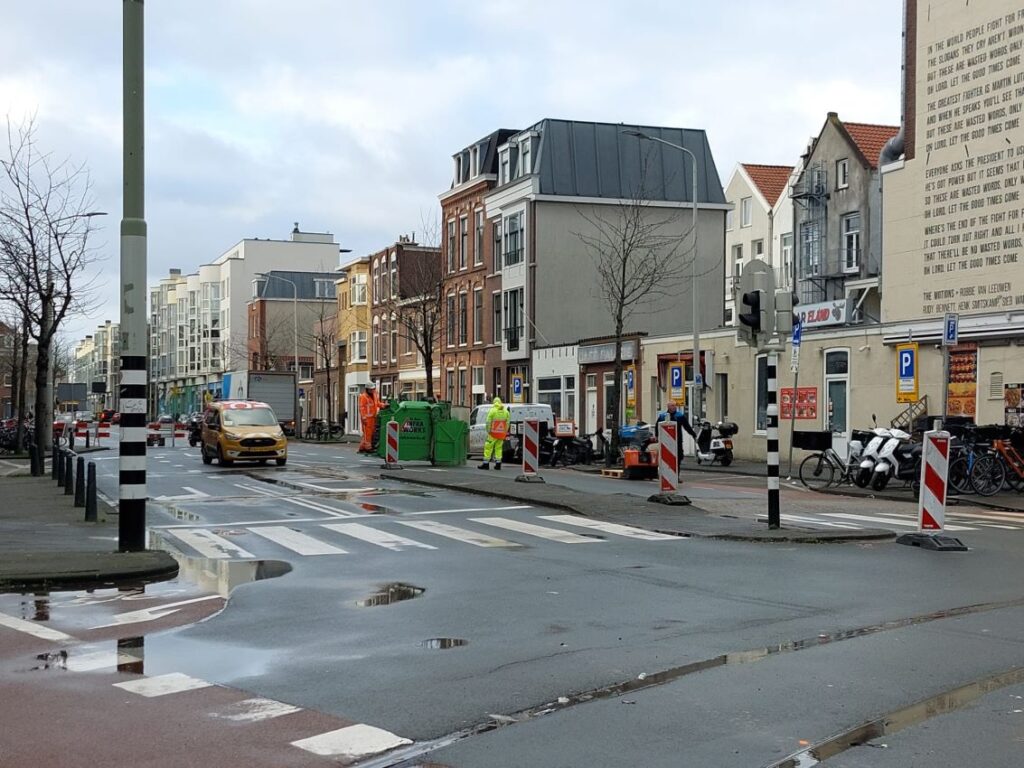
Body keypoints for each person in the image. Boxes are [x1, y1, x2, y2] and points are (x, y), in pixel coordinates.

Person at [656, 400, 697, 469]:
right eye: (672, 405)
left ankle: (677, 475)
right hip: (666, 441)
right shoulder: (662, 416)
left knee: (679, 457)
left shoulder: (680, 416)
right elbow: (657, 427)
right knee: (667, 457)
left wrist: (693, 434)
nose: (674, 407)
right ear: (668, 407)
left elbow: (687, 427)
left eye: (675, 405)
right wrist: (657, 436)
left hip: (678, 440)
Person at [478, 396, 510, 470]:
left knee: (488, 448)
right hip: (501, 434)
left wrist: (488, 430)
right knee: (498, 448)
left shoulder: (492, 411)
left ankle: (486, 464)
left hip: (493, 434)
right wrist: (505, 431)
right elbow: (508, 423)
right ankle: (498, 464)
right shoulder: (506, 411)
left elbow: (488, 422)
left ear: (494, 402)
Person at [358, 382, 383, 453]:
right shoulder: (363, 397)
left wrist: (384, 405)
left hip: (373, 418)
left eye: (373, 389)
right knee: (367, 434)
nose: (372, 390)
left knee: (370, 433)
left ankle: (362, 447)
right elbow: (362, 408)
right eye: (371, 389)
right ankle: (368, 448)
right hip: (366, 418)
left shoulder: (374, 395)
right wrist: (364, 418)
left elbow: (377, 403)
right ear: (367, 389)